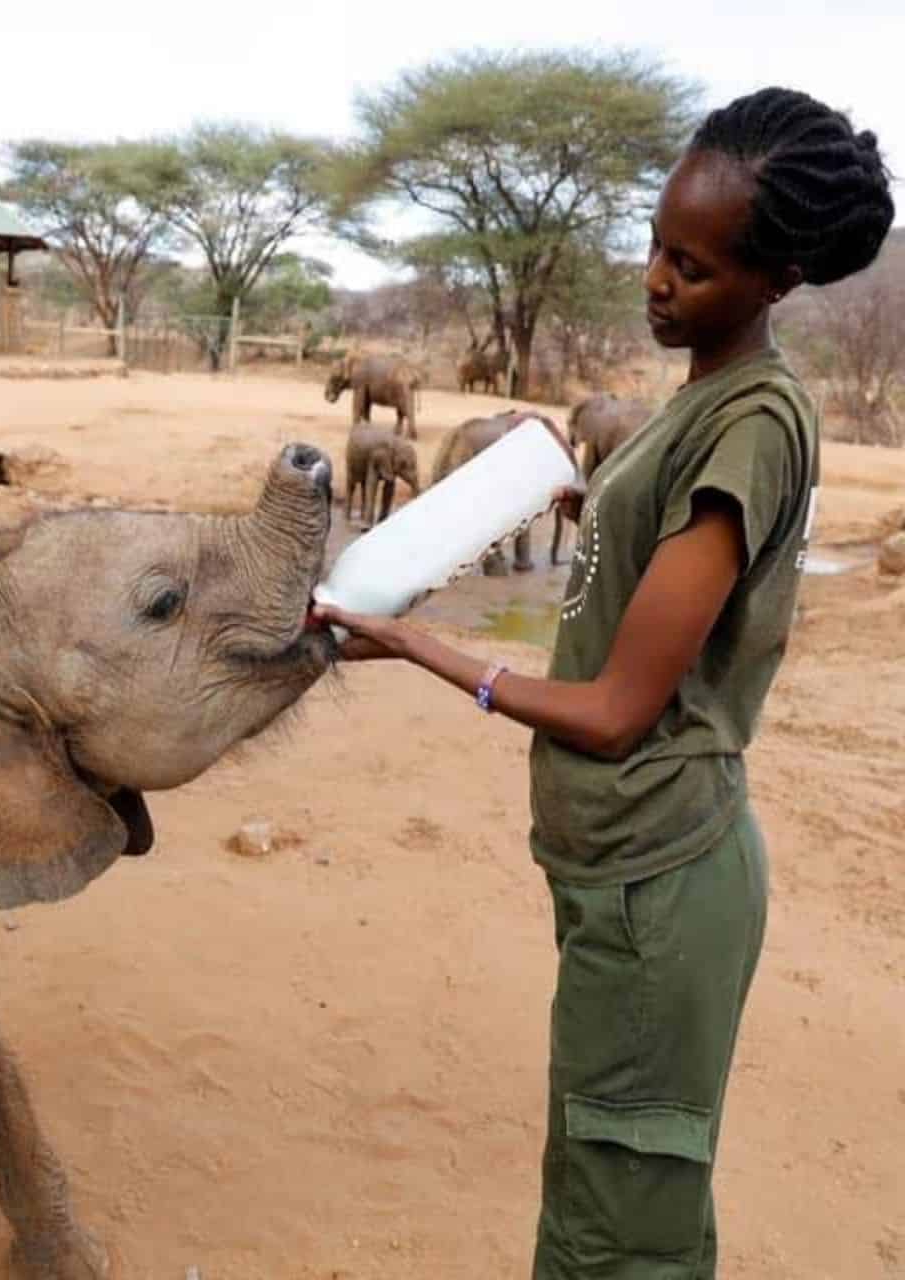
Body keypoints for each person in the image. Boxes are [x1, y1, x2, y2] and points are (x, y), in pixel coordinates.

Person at [311, 86, 894, 1278]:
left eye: (690, 263)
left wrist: (434, 652)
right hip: (625, 877)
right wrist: (586, 500)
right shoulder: (701, 401)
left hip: (658, 881)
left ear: (776, 275)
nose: (655, 281)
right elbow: (656, 558)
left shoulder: (751, 420)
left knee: (614, 1233)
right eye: (651, 245)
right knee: (608, 1192)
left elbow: (617, 708)